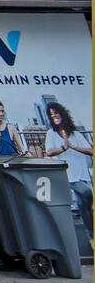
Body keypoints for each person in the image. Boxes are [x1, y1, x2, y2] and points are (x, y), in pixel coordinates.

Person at [44, 100, 93, 237]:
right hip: (67, 174)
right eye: (51, 115)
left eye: (56, 113)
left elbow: (91, 150)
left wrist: (73, 147)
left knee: (82, 203)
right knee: (87, 193)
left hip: (81, 173)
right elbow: (49, 152)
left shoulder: (75, 133)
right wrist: (63, 148)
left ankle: (90, 232)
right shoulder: (51, 133)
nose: (55, 117)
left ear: (63, 114)